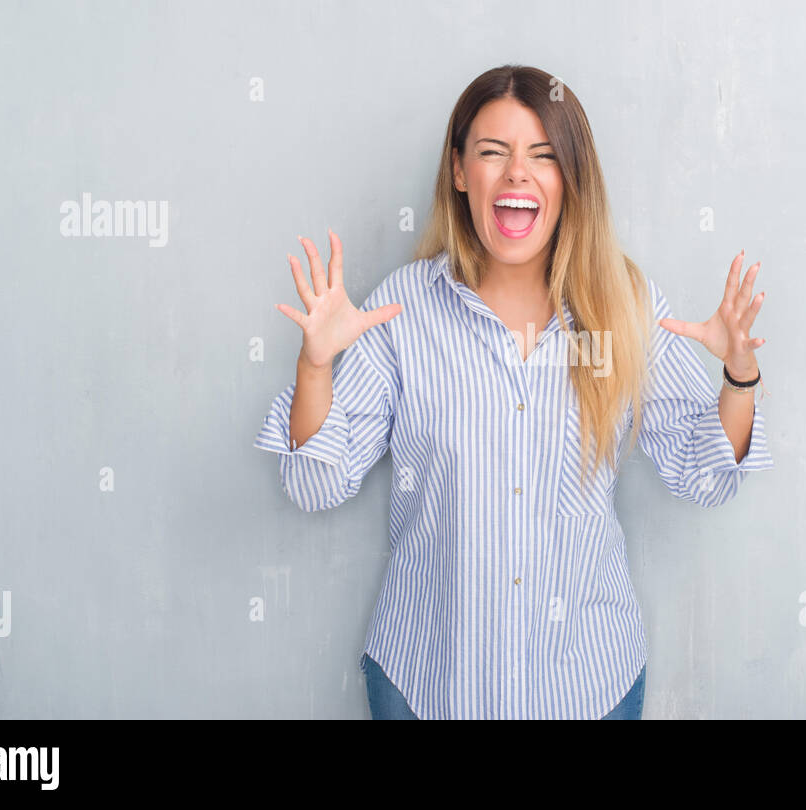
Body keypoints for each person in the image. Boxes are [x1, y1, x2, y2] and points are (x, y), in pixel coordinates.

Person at [254, 64, 773, 719]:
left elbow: (704, 478)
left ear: (571, 178)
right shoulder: (402, 309)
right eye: (492, 153)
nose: (517, 174)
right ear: (459, 171)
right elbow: (314, 486)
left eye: (544, 156)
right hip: (428, 683)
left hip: (588, 686)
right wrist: (315, 367)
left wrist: (738, 377)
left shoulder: (628, 308)